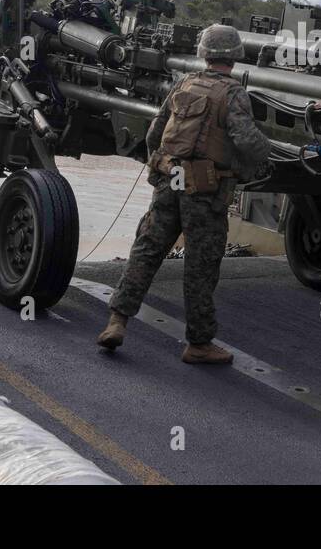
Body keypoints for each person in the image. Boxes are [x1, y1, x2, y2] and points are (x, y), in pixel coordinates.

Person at [98, 24, 271, 364]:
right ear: (235, 57)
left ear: (204, 53)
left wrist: (157, 172)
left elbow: (155, 132)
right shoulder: (235, 93)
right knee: (200, 265)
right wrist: (265, 158)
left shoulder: (185, 83)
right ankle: (199, 343)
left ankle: (117, 321)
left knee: (147, 250)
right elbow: (248, 141)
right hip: (204, 190)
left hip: (169, 179)